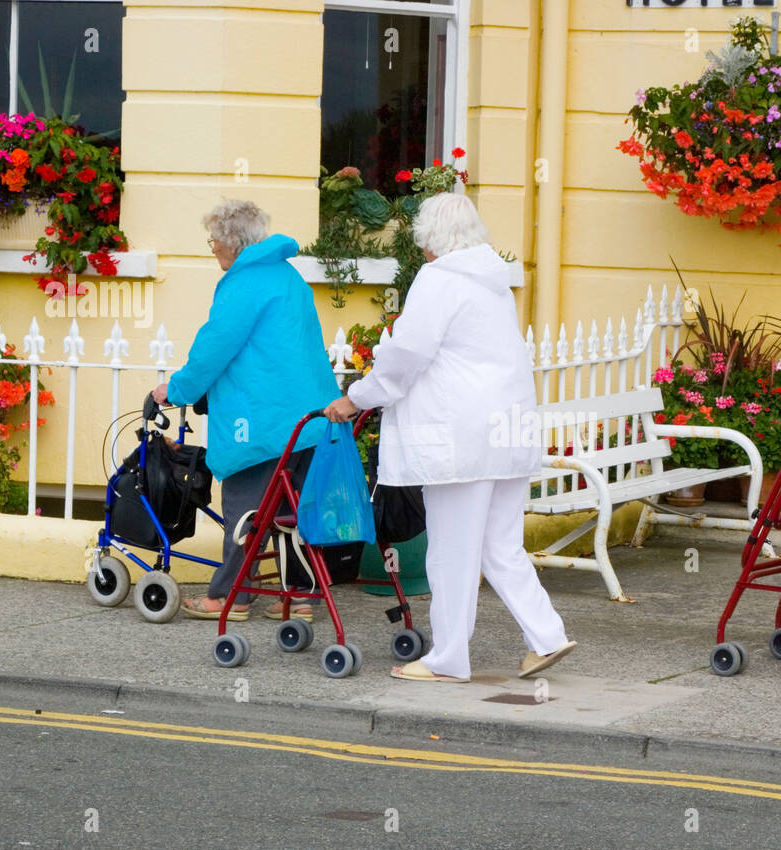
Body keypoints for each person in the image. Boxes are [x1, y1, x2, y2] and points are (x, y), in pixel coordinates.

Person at [325, 193, 576, 682]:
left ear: (430, 240)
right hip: (507, 429)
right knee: (501, 546)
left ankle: (448, 659)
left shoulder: (439, 279)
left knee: (451, 550)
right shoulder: (493, 281)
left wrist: (358, 396)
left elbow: (406, 354)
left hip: (460, 438)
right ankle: (547, 637)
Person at [152, 199, 338, 621]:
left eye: (214, 239)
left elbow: (214, 347)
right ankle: (300, 598)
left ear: (232, 242)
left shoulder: (243, 283)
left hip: (262, 420)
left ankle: (230, 597)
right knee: (293, 512)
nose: (212, 247)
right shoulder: (287, 277)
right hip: (310, 416)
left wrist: (176, 389)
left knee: (245, 513)